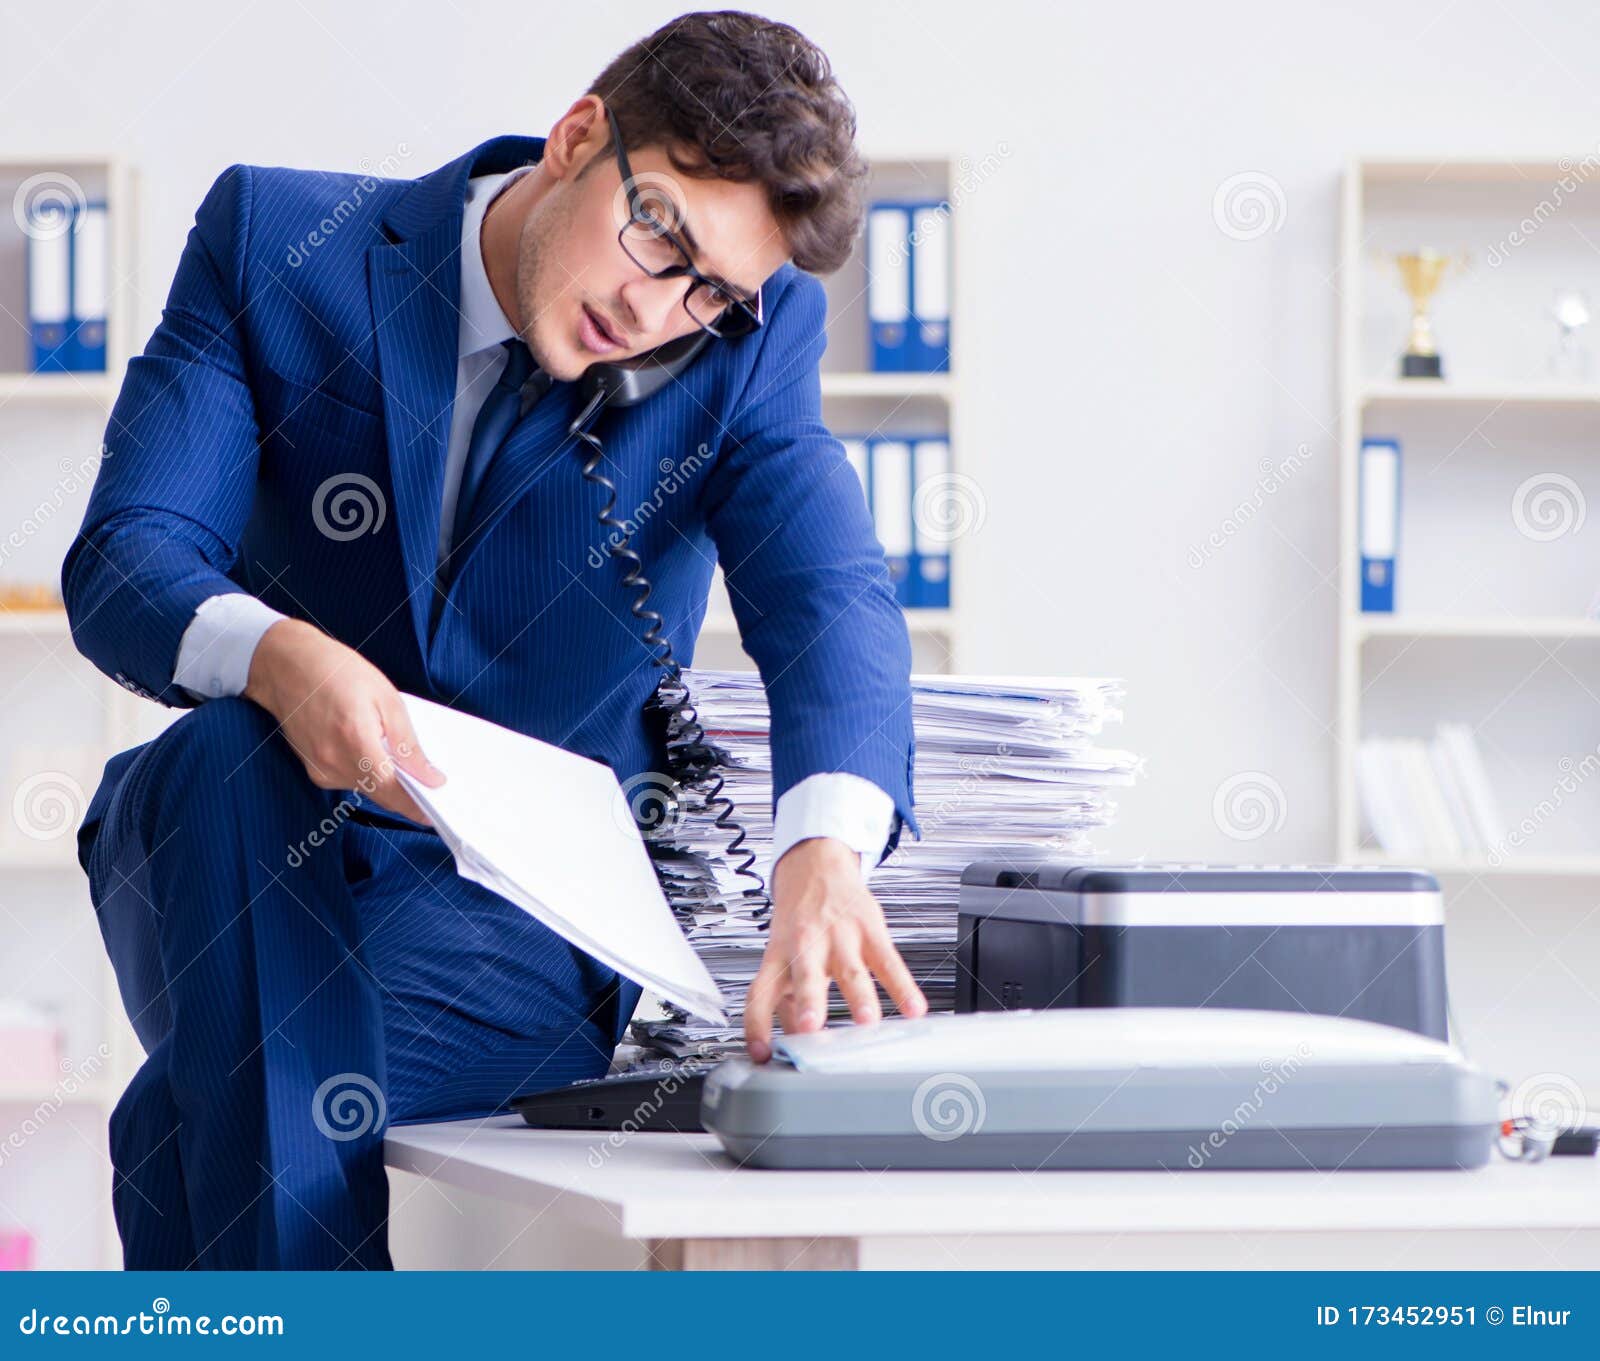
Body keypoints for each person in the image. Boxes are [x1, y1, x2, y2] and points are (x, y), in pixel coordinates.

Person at [63, 10, 925, 1270]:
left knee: (174, 1124)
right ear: (579, 135)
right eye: (657, 234)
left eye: (709, 293)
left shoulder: (744, 352)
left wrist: (826, 847)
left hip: (502, 915)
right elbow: (126, 552)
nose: (656, 309)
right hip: (220, 853)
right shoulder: (275, 243)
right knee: (223, 756)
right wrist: (281, 655)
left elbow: (828, 593)